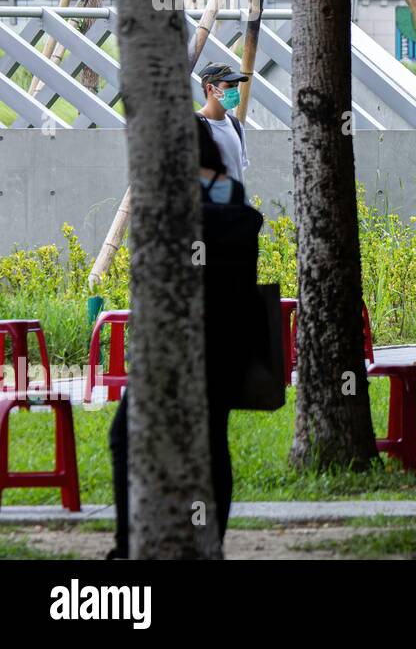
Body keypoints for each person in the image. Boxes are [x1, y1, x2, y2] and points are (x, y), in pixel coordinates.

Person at [108, 116, 263, 558]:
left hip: (175, 347)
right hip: (227, 343)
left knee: (127, 436)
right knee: (214, 443)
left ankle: (128, 544)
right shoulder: (231, 194)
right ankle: (209, 542)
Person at [197, 62, 251, 187]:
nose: (235, 91)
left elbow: (238, 173)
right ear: (210, 89)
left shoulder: (236, 125)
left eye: (236, 86)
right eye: (229, 86)